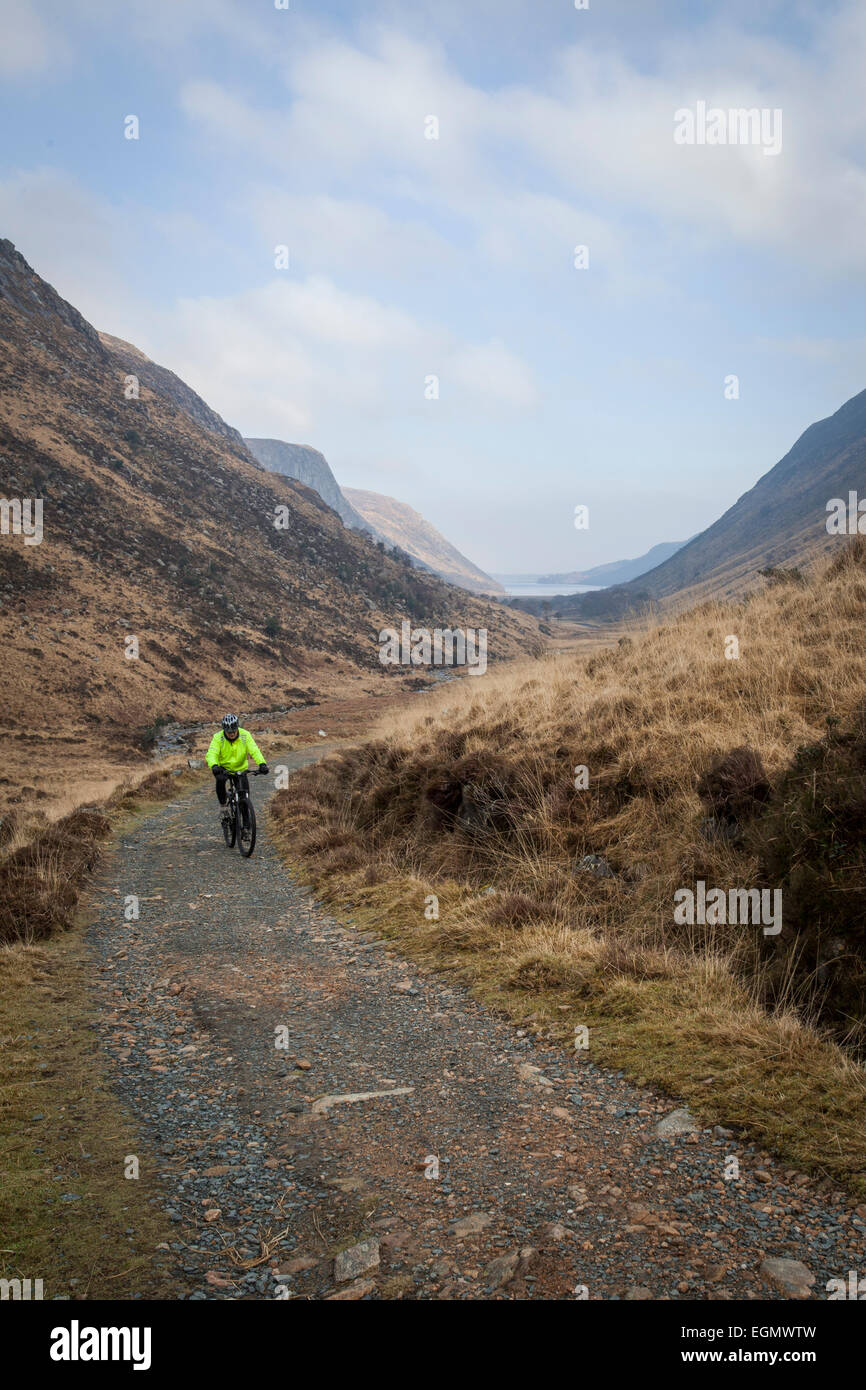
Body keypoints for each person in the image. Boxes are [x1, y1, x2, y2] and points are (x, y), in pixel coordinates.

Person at [206, 714, 269, 825]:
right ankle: (224, 808)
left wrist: (262, 763)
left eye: (233, 731)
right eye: (228, 732)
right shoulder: (218, 738)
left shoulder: (245, 735)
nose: (231, 734)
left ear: (237, 728)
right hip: (223, 769)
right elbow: (212, 753)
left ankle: (246, 825)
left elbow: (254, 750)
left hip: (240, 769)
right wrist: (214, 765)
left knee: (244, 796)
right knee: (220, 780)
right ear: (224, 730)